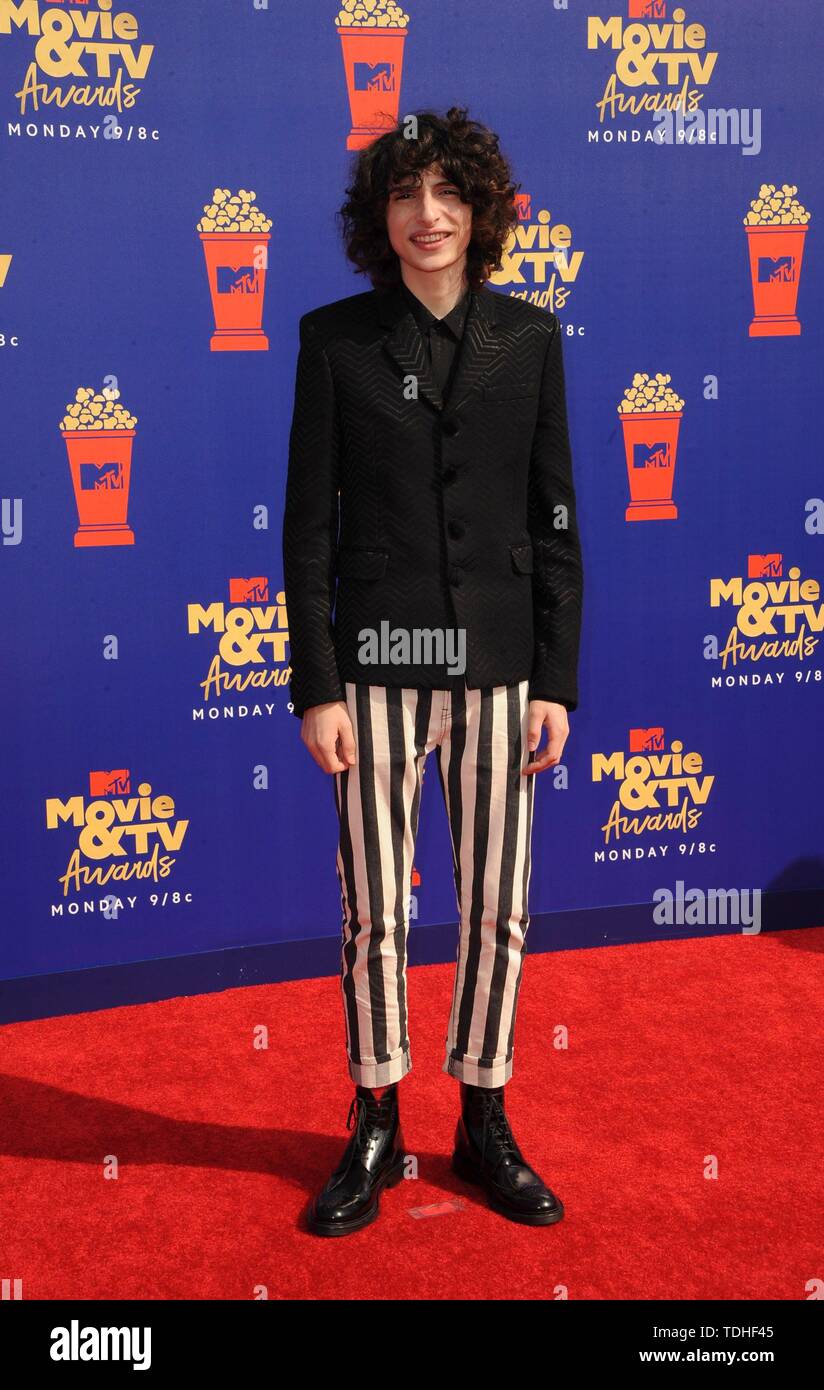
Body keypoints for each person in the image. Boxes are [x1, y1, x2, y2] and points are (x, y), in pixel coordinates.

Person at [282, 105, 583, 1237]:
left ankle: (485, 1115)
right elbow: (306, 526)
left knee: (498, 908)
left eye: (447, 193)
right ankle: (374, 1116)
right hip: (375, 666)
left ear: (481, 210)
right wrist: (316, 682)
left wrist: (554, 677)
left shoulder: (532, 340)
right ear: (379, 218)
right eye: (405, 194)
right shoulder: (335, 342)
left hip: (500, 670)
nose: (427, 215)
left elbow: (552, 520)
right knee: (375, 913)